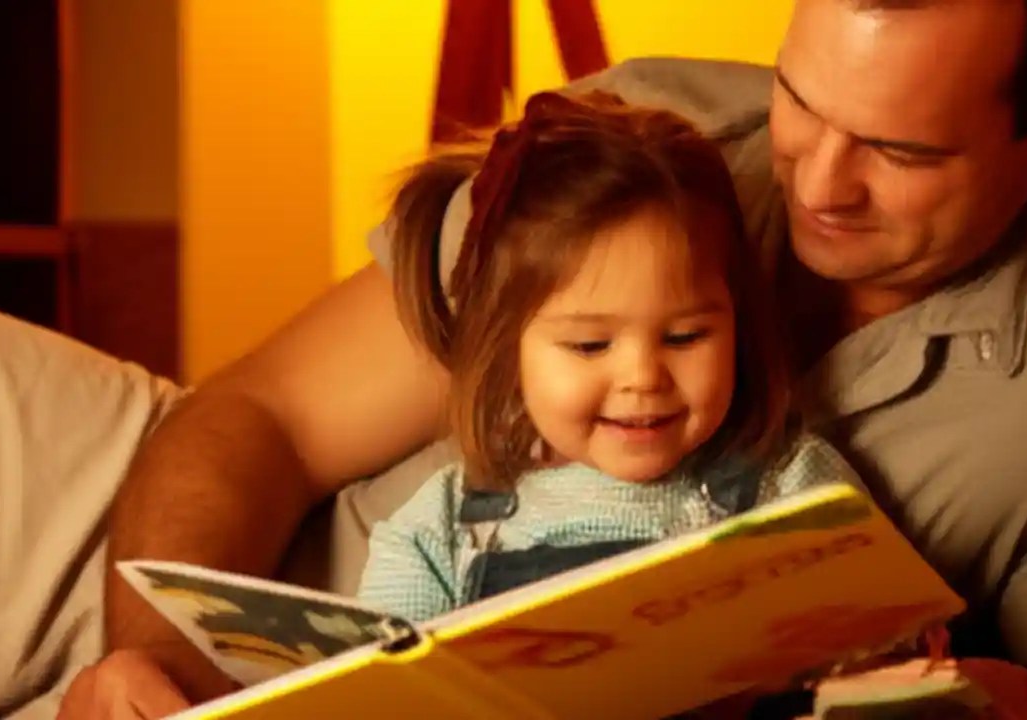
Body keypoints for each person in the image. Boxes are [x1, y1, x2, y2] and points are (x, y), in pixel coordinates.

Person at [0, 0, 1027, 717]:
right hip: (167, 571)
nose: (814, 182)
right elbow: (258, 414)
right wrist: (151, 657)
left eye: (899, 150)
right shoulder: (648, 143)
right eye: (801, 99)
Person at [357, 89, 843, 623]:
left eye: (684, 337)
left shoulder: (792, 486)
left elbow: (869, 642)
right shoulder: (441, 530)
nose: (642, 378)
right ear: (505, 351)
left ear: (739, 325)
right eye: (590, 346)